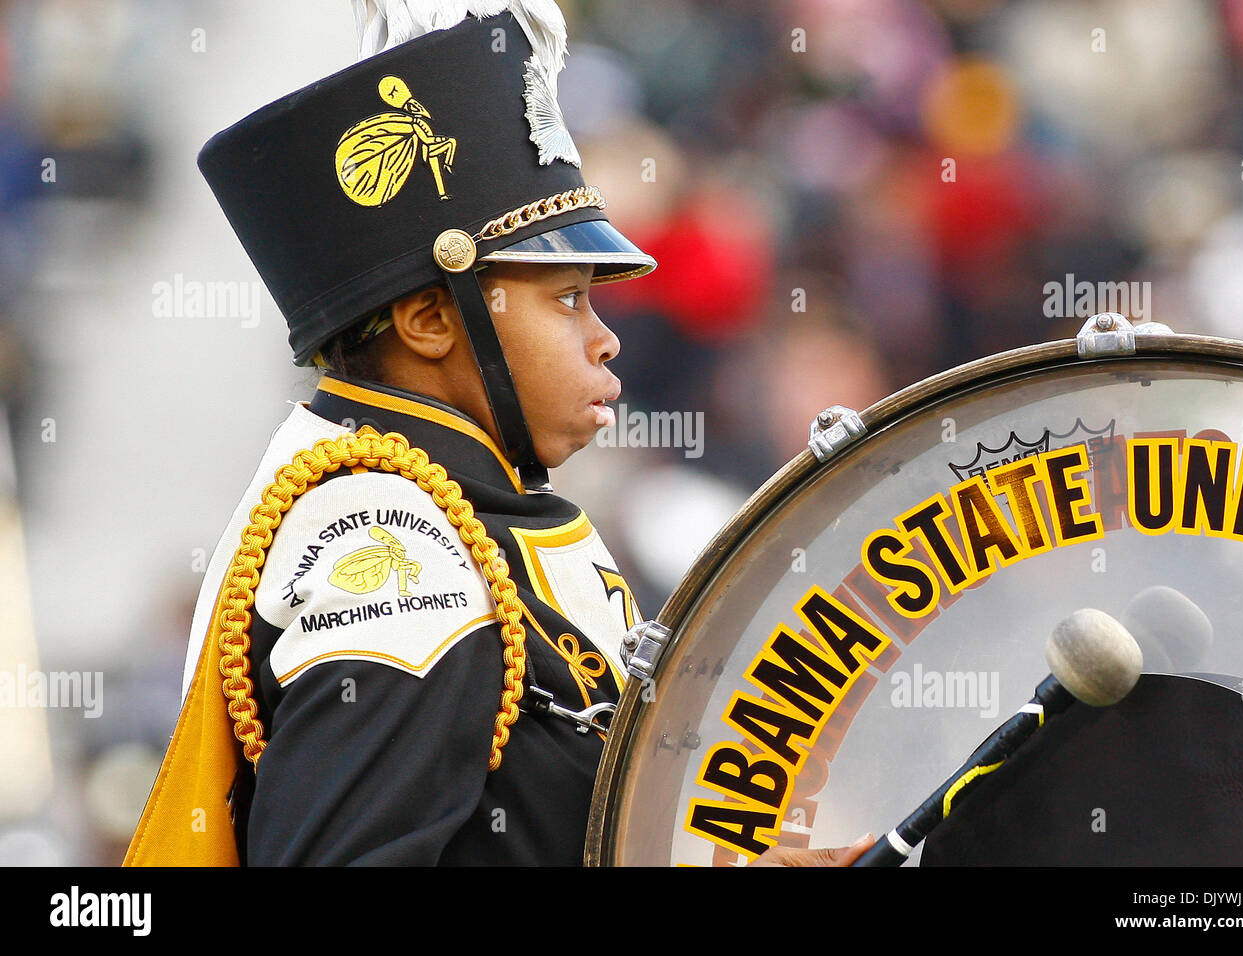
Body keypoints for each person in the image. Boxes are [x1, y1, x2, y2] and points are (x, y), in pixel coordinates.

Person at [124, 0, 873, 867]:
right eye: (567, 298)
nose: (606, 337)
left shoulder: (461, 512)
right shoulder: (391, 548)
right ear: (429, 321)